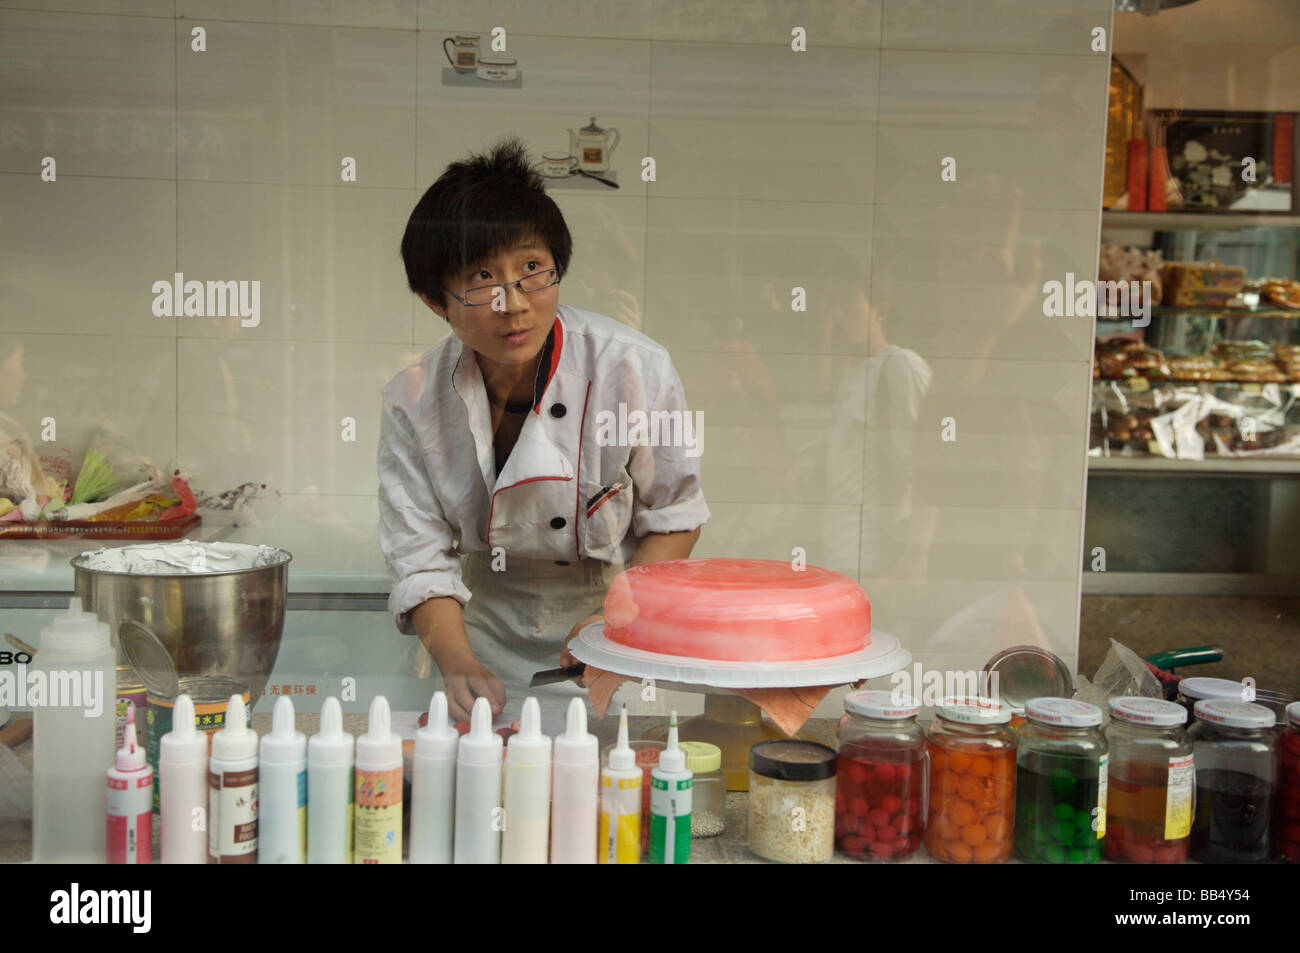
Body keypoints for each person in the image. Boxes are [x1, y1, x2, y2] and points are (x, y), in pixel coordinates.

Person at [379, 137, 709, 726]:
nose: (515, 303)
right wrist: (458, 664)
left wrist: (615, 620)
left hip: (612, 619)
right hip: (480, 627)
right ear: (436, 301)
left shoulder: (632, 368)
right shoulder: (413, 398)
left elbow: (674, 518)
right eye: (482, 279)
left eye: (532, 269)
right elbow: (419, 556)